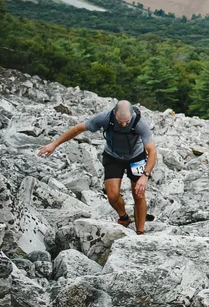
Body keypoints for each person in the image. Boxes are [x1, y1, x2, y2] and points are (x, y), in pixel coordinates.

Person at [37, 100, 158, 235]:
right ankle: (124, 217)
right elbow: (78, 129)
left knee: (139, 194)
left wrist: (145, 176)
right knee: (112, 195)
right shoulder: (104, 118)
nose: (124, 124)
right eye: (120, 121)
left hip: (136, 157)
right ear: (114, 113)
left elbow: (152, 151)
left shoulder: (140, 123)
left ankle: (140, 232)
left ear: (132, 114)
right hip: (113, 156)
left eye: (127, 121)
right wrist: (54, 144)